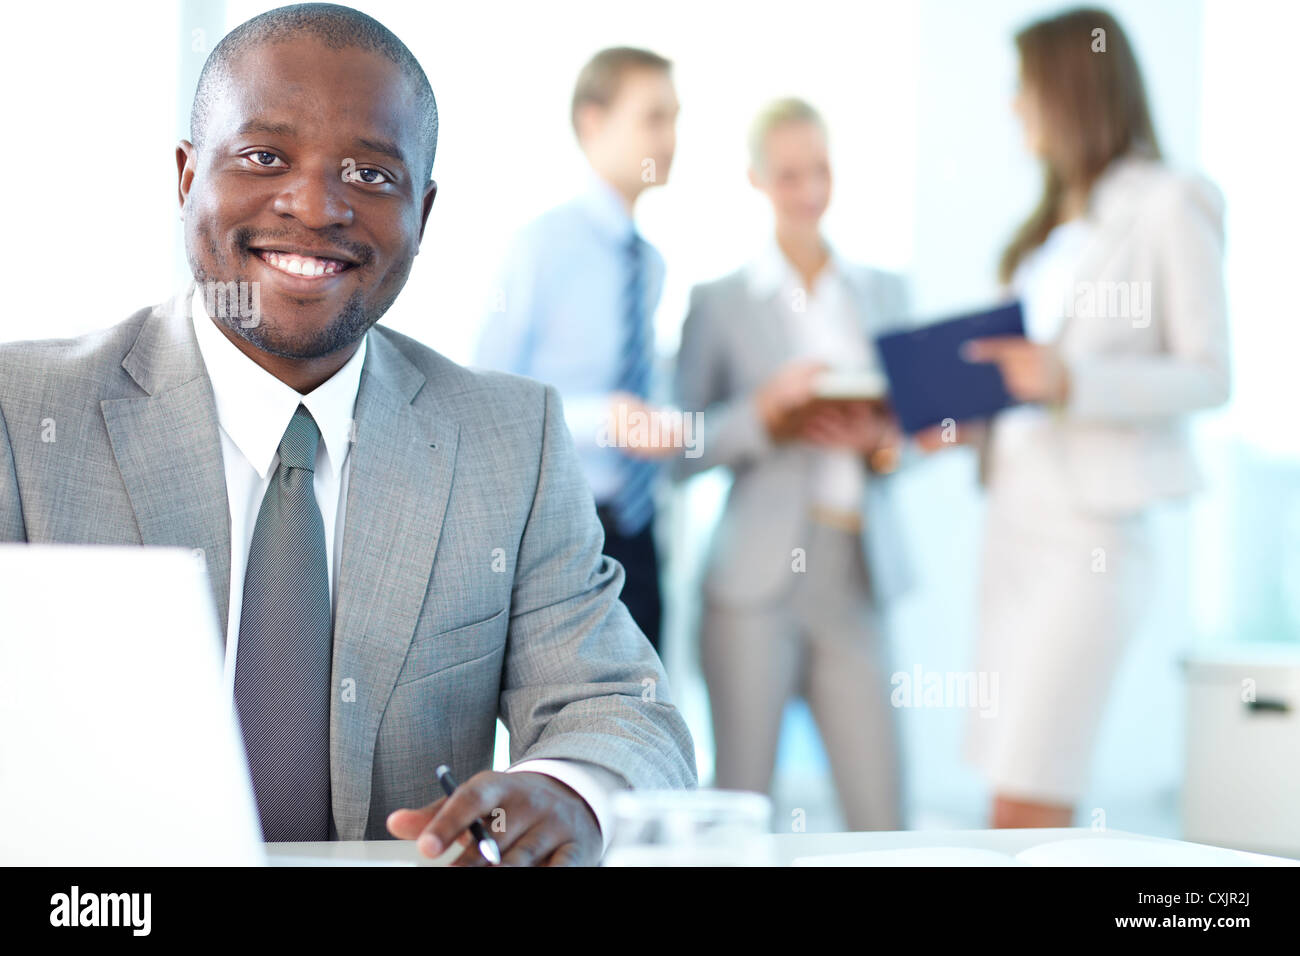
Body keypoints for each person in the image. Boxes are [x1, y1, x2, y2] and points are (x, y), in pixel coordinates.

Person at [0, 3, 696, 866]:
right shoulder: (24, 418)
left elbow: (625, 709)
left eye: (370, 175)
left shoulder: (510, 443)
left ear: (424, 214)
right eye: (264, 157)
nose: (316, 205)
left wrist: (562, 791)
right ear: (186, 177)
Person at [955, 7, 1230, 828]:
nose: (1013, 107)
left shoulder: (1170, 202)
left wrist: (1071, 376)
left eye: (1025, 88)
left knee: (1031, 784)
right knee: (1003, 774)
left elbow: (1211, 376)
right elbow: (1025, 393)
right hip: (1014, 522)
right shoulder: (1054, 232)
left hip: (1092, 538)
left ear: (1072, 90)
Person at [672, 98, 912, 830]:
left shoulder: (884, 293)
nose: (809, 191)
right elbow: (681, 448)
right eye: (788, 175)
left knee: (883, 814)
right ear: (755, 179)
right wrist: (766, 414)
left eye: (822, 171)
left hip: (857, 573)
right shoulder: (719, 302)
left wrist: (882, 442)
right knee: (742, 805)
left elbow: (912, 434)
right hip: (753, 581)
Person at [473, 47, 681, 652]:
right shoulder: (540, 248)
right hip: (560, 539)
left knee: (644, 728)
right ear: (593, 122)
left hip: (637, 535)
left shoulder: (652, 265)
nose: (670, 138)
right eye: (653, 117)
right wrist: (604, 421)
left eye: (675, 118)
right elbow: (483, 399)